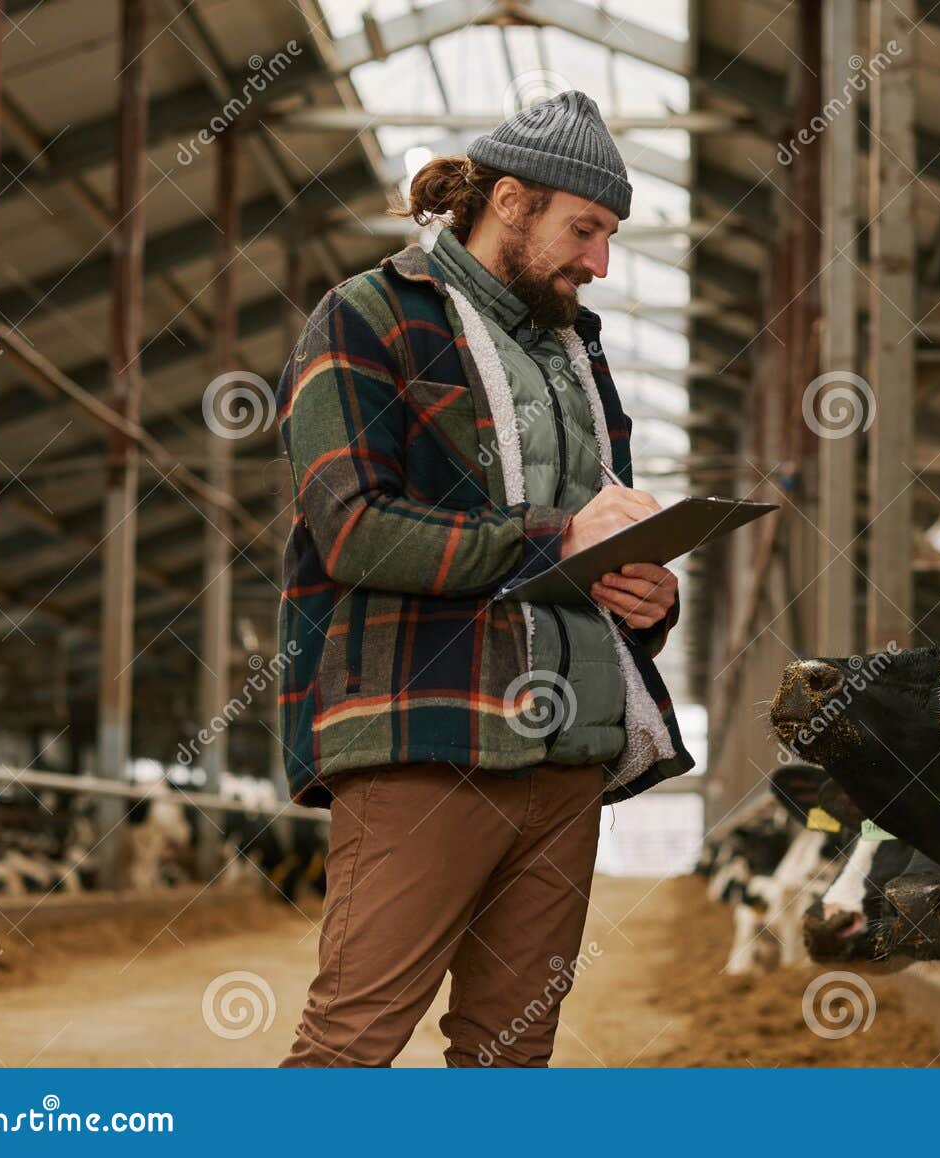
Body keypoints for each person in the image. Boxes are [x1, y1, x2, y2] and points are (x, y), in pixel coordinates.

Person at [276, 90, 692, 1067]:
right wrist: (557, 543)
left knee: (511, 1056)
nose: (600, 261)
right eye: (584, 229)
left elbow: (593, 532)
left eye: (611, 236)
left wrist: (644, 594)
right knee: (351, 1042)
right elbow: (355, 531)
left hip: (570, 749)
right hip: (430, 733)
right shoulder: (369, 316)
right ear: (508, 201)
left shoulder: (575, 353)